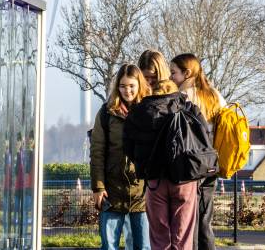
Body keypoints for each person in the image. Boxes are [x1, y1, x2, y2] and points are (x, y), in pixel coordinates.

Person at [123, 65, 198, 250]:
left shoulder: (139, 112)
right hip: (184, 178)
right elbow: (202, 137)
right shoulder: (186, 107)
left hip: (154, 180)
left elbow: (128, 147)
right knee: (182, 236)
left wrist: (145, 164)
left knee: (159, 236)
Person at [91, 65, 152, 250]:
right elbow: (97, 152)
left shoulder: (149, 111)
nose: (128, 90)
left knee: (144, 247)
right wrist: (98, 187)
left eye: (132, 85)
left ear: (139, 84)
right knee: (109, 246)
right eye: (123, 86)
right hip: (112, 192)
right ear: (117, 86)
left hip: (142, 194)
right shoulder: (106, 113)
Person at [170, 54, 225, 250]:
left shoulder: (182, 97)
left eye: (174, 73)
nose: (171, 78)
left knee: (188, 221)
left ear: (187, 73)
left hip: (190, 166)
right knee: (205, 220)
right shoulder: (215, 96)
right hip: (211, 164)